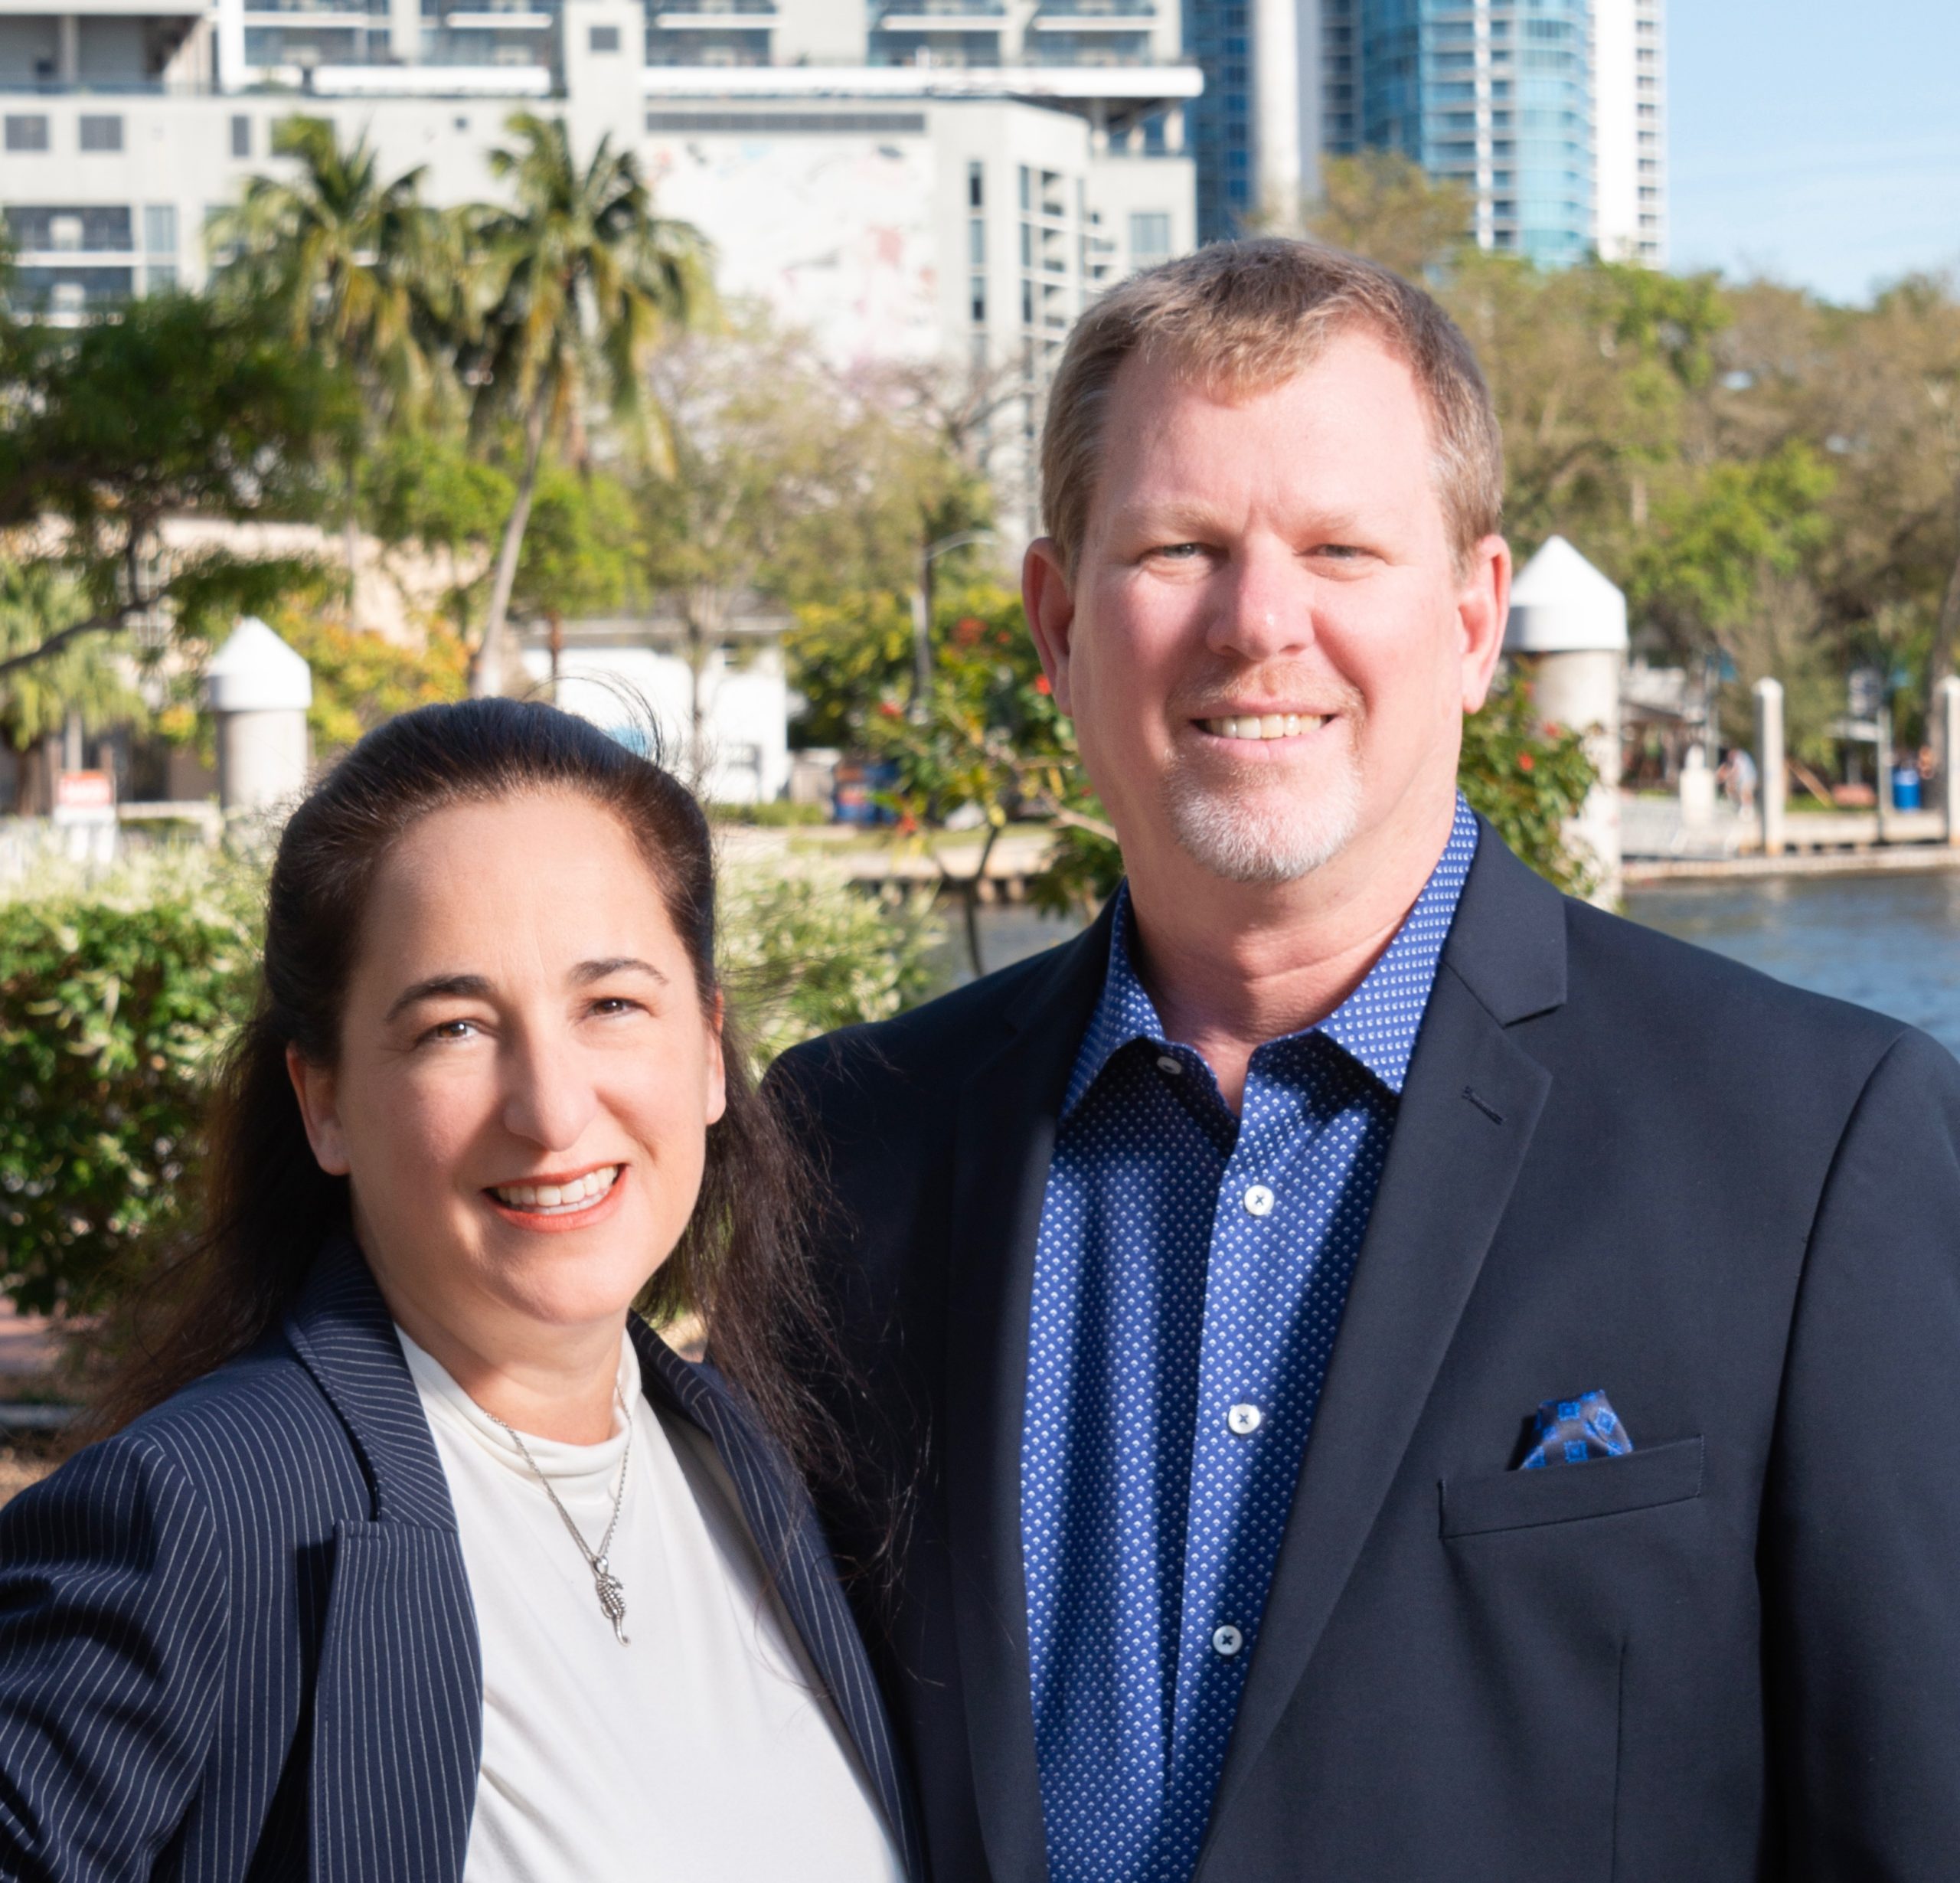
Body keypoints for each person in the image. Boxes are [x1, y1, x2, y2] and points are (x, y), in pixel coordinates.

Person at [773, 240, 1960, 1881]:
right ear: (1056, 624)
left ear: (1474, 622)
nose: (1259, 623)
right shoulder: (844, 1148)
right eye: (1179, 545)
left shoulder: (1812, 1149)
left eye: (1339, 547)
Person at [0, 700, 922, 1883]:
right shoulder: (201, 1512)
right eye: (455, 1027)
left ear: (704, 1046)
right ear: (324, 1099)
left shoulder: (749, 1458)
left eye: (612, 1006)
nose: (550, 1109)